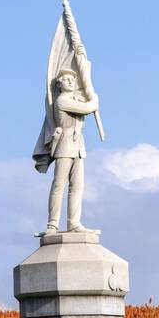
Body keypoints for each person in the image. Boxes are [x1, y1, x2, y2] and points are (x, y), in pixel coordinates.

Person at [40, 62, 100, 233]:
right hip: (65, 145)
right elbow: (88, 107)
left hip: (78, 145)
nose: (70, 82)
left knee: (77, 185)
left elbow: (85, 94)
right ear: (59, 84)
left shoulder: (75, 97)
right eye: (65, 79)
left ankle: (74, 222)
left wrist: (85, 69)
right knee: (59, 184)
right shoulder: (63, 100)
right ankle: (52, 223)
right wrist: (95, 99)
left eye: (72, 79)